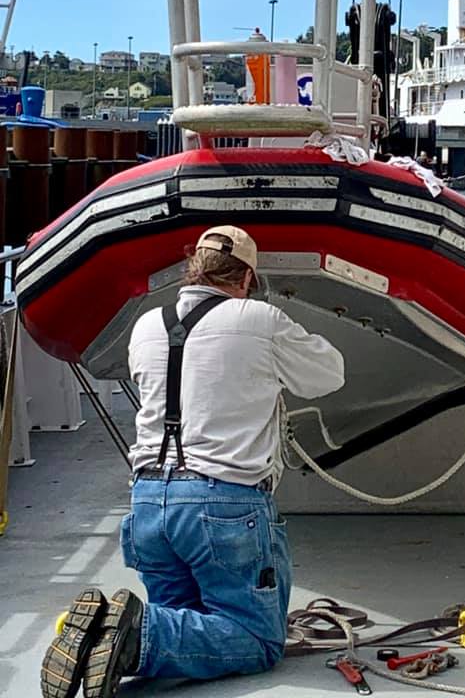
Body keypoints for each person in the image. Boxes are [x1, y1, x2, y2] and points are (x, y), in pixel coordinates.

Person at [41, 225, 345, 698]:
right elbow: (329, 374)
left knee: (186, 631)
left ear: (192, 268)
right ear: (246, 278)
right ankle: (137, 636)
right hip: (222, 508)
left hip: (148, 503)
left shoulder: (147, 324)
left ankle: (116, 631)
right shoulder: (260, 318)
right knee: (258, 641)